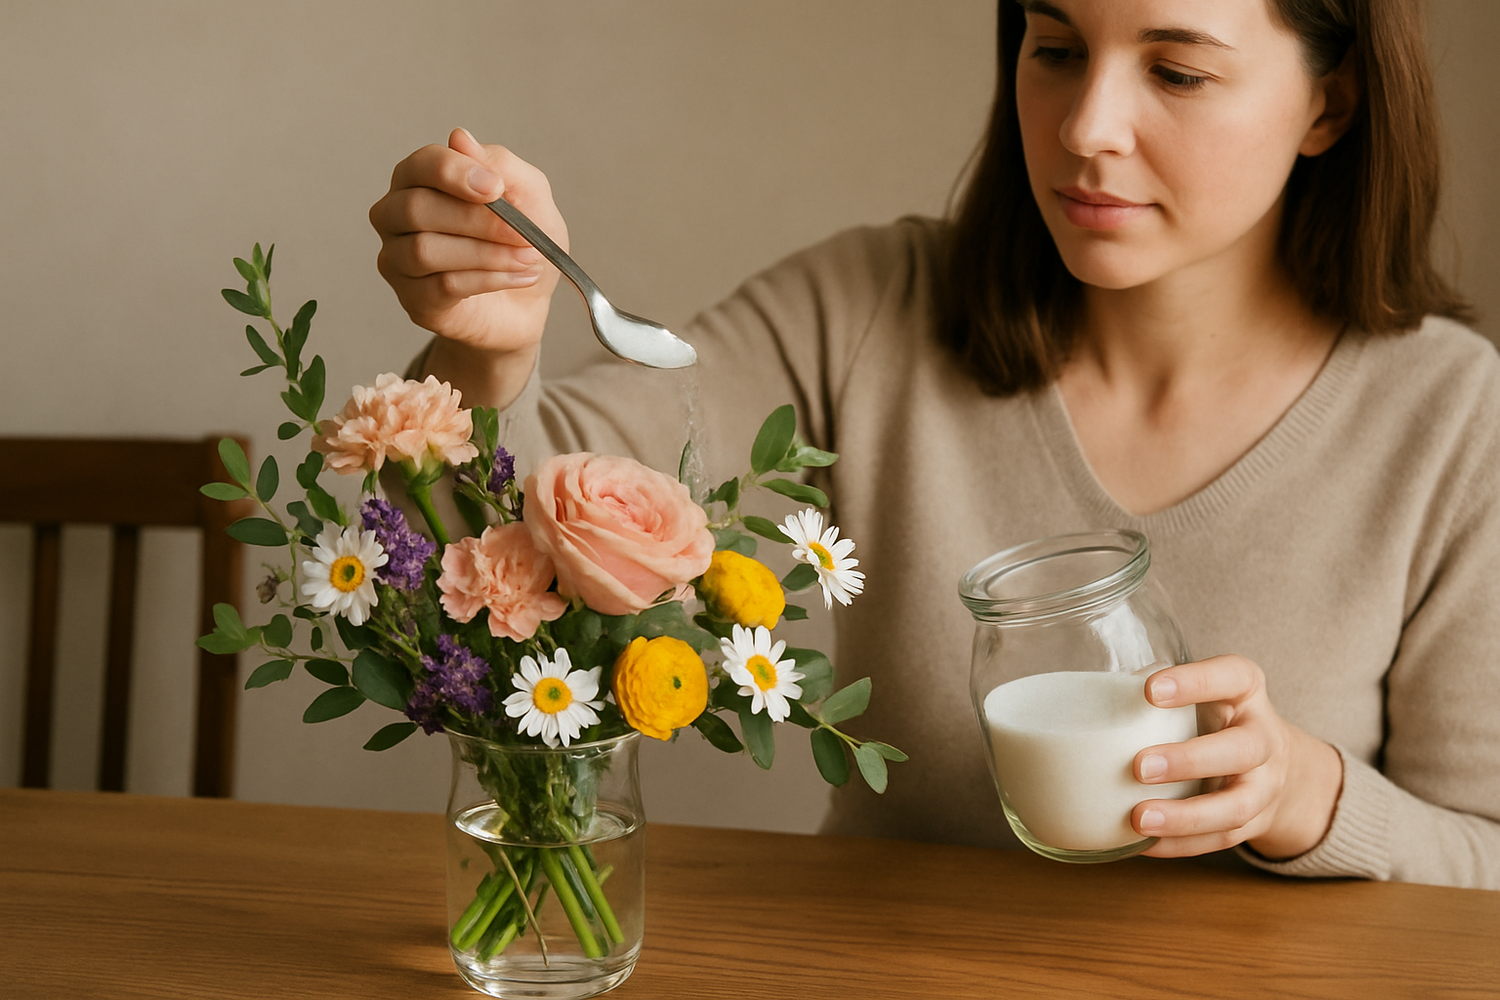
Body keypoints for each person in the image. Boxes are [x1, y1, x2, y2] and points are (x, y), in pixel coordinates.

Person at [368, 0, 1500, 889]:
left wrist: (1312, 797)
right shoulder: (872, 306)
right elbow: (487, 536)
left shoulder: (1449, 416)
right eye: (1054, 47)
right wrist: (490, 351)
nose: (1086, 127)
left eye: (1177, 70)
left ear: (1330, 104)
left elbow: (1483, 865)